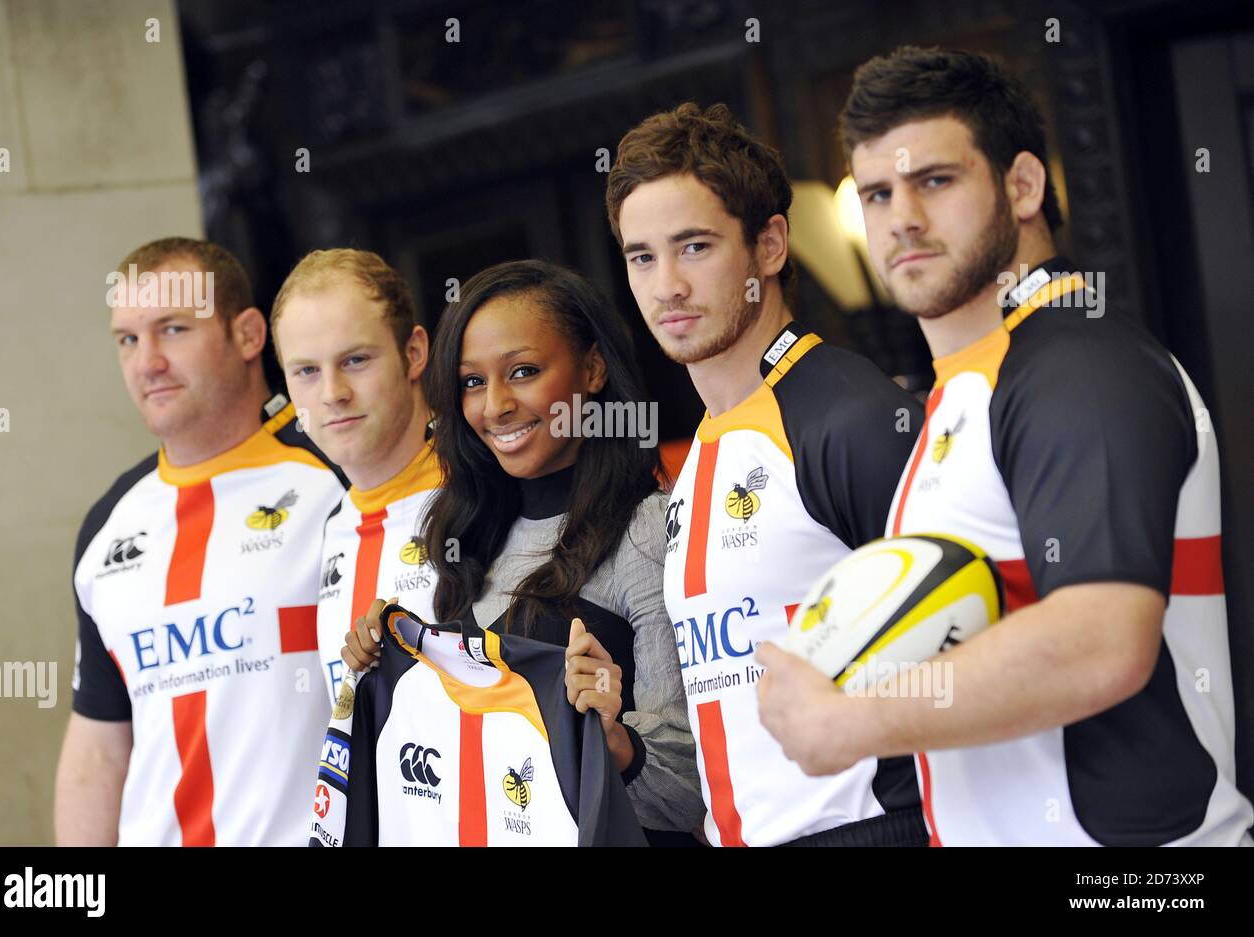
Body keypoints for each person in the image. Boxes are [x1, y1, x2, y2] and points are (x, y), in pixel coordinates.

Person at [756, 46, 1254, 846]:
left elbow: (1100, 639)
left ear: (1022, 185)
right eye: (877, 193)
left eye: (936, 181)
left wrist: (850, 720)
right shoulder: (973, 383)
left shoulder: (1078, 362)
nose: (902, 218)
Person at [606, 102, 927, 846]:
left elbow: (969, 646)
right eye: (642, 256)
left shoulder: (846, 414)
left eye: (695, 247)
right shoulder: (700, 452)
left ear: (771, 244)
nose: (667, 286)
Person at [342, 259, 706, 838]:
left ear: (592, 368)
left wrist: (611, 742)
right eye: (472, 382)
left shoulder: (649, 531)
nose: (495, 406)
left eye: (524, 371)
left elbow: (690, 795)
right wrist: (392, 666)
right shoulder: (464, 535)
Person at [57, 237, 345, 845]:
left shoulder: (340, 475)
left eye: (173, 329)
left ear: (247, 335)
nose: (147, 361)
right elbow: (99, 750)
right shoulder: (107, 524)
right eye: (128, 340)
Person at [271, 249, 440, 707]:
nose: (332, 394)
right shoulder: (326, 526)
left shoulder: (491, 493)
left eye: (355, 361)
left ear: (414, 353)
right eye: (306, 370)